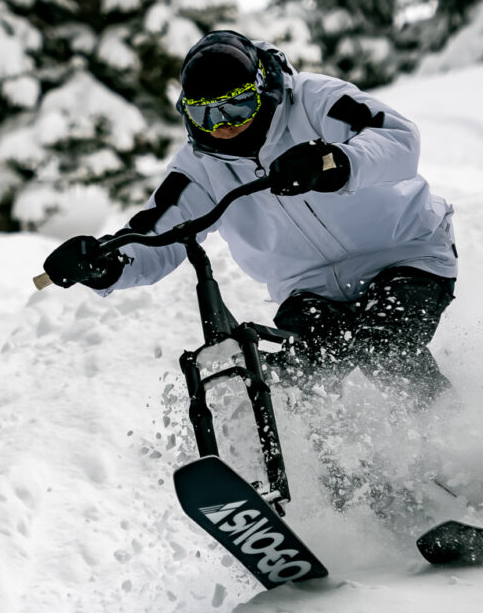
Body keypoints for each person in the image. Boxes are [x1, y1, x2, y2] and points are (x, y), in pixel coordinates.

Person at [42, 30, 459, 408]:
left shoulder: (315, 100)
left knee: (383, 347)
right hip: (309, 288)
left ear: (263, 89)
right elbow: (158, 230)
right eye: (205, 114)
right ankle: (336, 477)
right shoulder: (200, 166)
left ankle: (451, 436)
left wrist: (333, 162)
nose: (223, 127)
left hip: (406, 252)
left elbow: (398, 138)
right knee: (299, 385)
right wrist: (106, 265)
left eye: (237, 107)